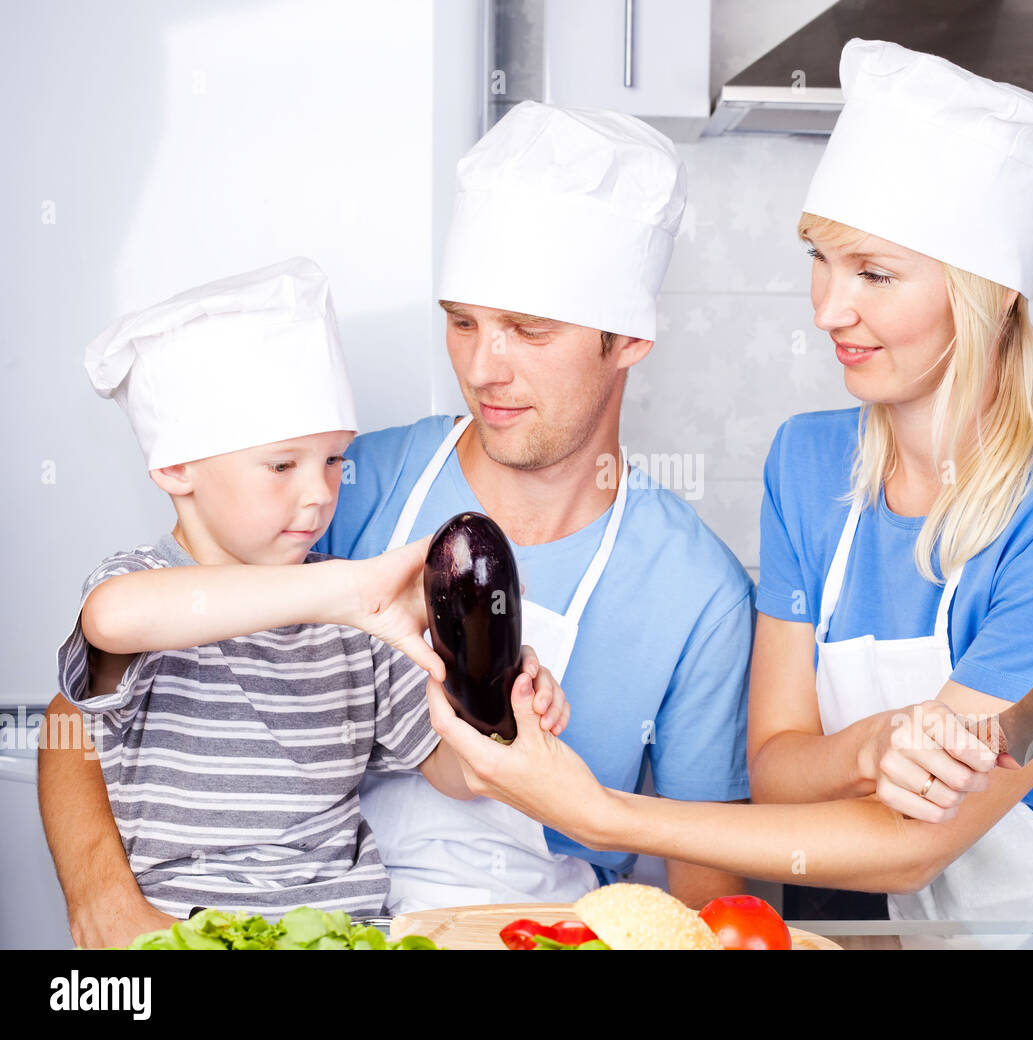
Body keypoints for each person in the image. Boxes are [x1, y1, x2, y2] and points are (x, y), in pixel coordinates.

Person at [418, 41, 1033, 922]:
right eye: (821, 259)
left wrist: (600, 813)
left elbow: (910, 847)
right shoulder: (808, 466)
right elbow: (779, 768)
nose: (828, 308)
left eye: (875, 274)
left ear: (991, 293)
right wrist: (874, 747)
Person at [39, 102, 752, 940]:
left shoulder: (697, 589)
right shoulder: (336, 493)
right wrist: (102, 898)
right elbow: (77, 707)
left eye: (528, 329)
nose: (485, 368)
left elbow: (710, 888)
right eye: (462, 323)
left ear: (626, 340)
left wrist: (503, 716)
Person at [46, 257, 566, 936]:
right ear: (176, 467)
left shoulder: (356, 623)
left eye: (331, 459)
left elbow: (453, 771)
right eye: (283, 465)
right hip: (179, 930)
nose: (320, 492)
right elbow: (112, 618)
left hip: (342, 929)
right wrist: (341, 591)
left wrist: (497, 701)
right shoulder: (148, 586)